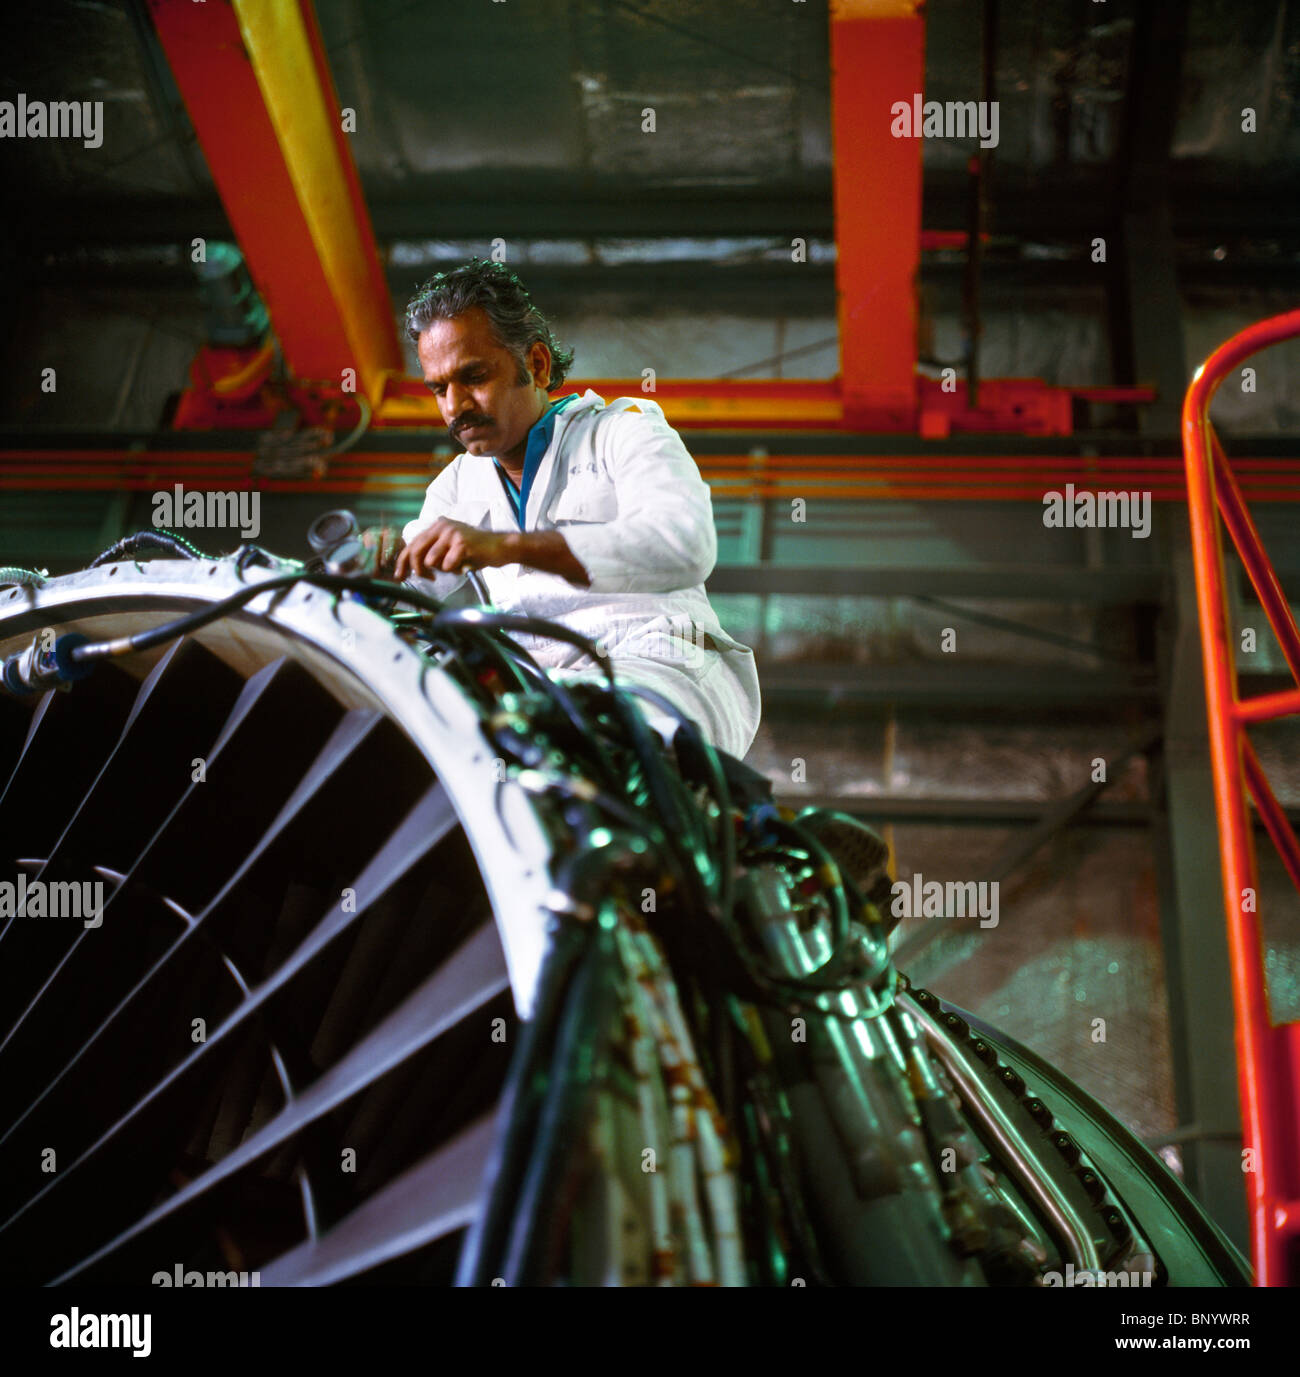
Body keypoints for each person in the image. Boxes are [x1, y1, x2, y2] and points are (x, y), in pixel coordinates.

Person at [382, 258, 761, 760]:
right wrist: (383, 567)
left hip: (658, 665)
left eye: (472, 377)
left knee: (588, 741)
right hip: (534, 689)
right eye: (438, 388)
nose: (454, 407)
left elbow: (685, 545)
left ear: (536, 364)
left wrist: (505, 547)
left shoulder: (623, 431)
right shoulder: (457, 484)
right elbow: (408, 588)